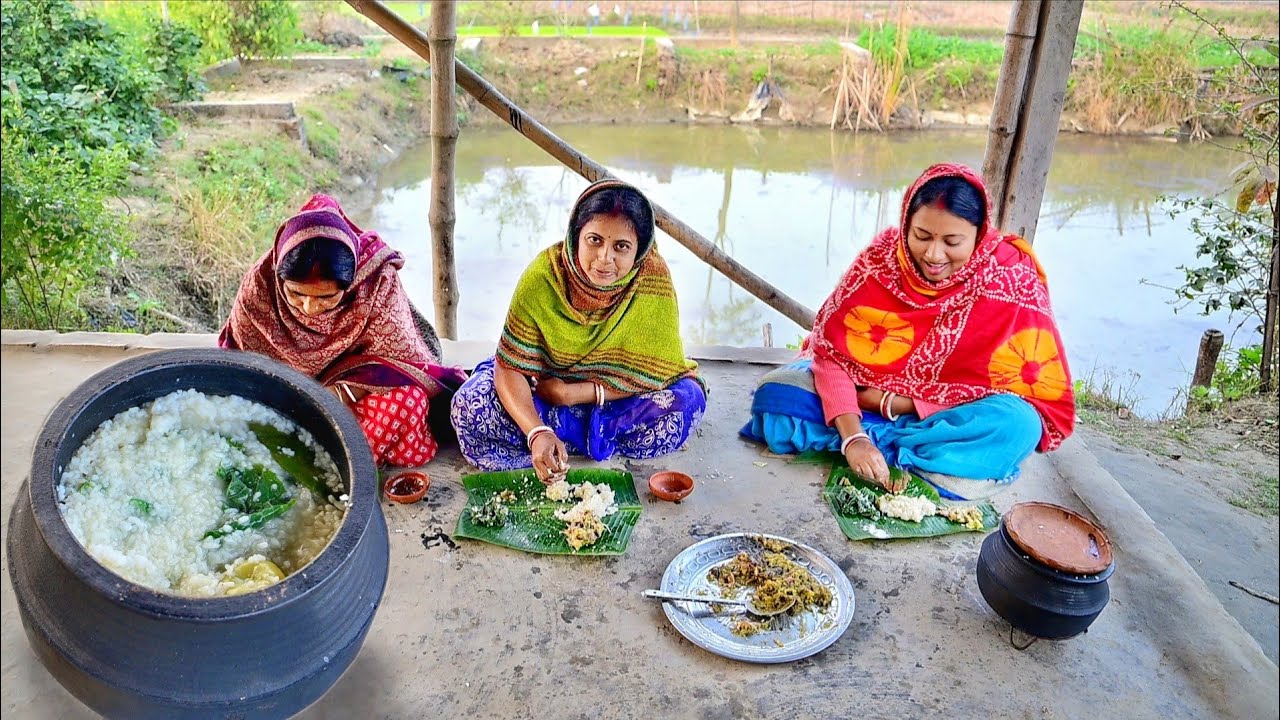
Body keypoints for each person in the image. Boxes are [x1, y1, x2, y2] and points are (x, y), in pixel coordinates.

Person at [741, 163, 1074, 501]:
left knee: (1019, 426)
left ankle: (888, 443)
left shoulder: (1009, 276)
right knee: (776, 396)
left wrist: (898, 403)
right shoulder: (879, 263)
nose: (933, 255)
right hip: (861, 402)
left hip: (943, 415)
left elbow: (1023, 388)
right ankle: (913, 454)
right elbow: (830, 355)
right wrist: (854, 439)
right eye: (922, 236)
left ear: (980, 234)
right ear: (906, 225)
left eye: (952, 242)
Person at [451, 179, 706, 482]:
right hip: (541, 394)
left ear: (639, 251)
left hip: (615, 399)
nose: (604, 258)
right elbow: (508, 366)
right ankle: (554, 441)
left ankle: (571, 436)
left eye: (621, 247)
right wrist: (536, 431)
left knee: (685, 402)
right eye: (594, 240)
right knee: (469, 406)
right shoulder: (545, 276)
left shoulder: (651, 279)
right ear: (576, 236)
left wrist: (572, 394)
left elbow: (656, 374)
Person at [220, 193, 465, 467]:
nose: (310, 308)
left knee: (410, 400)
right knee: (239, 419)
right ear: (279, 274)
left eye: (326, 298)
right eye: (296, 294)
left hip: (351, 397)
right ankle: (319, 460)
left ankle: (332, 465)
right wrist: (295, 402)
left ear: (350, 283)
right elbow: (240, 366)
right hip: (285, 401)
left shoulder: (374, 281)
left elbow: (402, 362)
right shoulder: (261, 285)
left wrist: (341, 395)